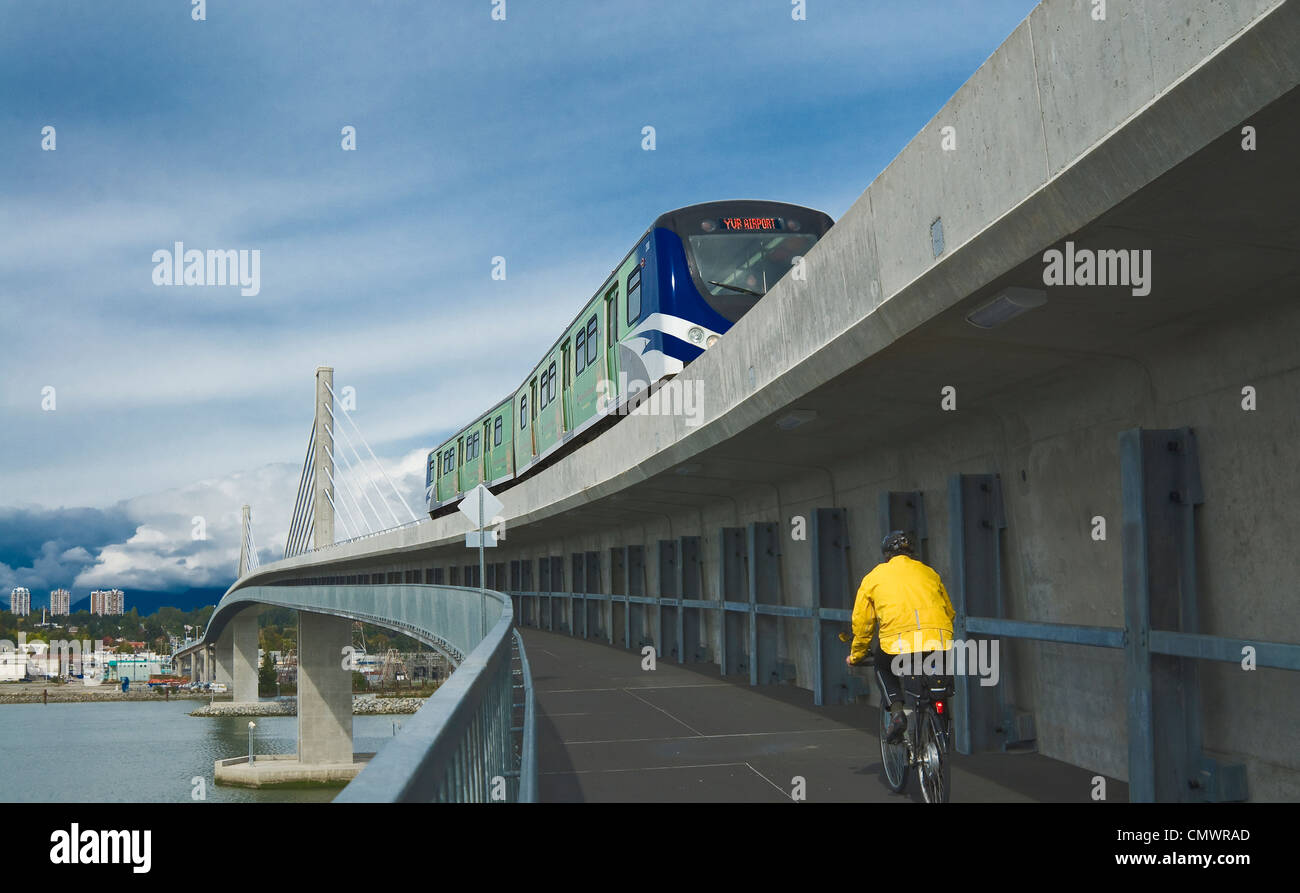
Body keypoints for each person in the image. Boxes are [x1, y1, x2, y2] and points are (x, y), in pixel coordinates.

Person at [845, 530, 956, 744]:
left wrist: (857, 654)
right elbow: (949, 612)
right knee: (938, 677)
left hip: (897, 644)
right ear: (911, 553)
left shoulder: (873, 578)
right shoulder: (929, 573)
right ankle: (942, 728)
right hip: (938, 638)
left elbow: (863, 623)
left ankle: (897, 712)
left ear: (886, 555)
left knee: (883, 667)